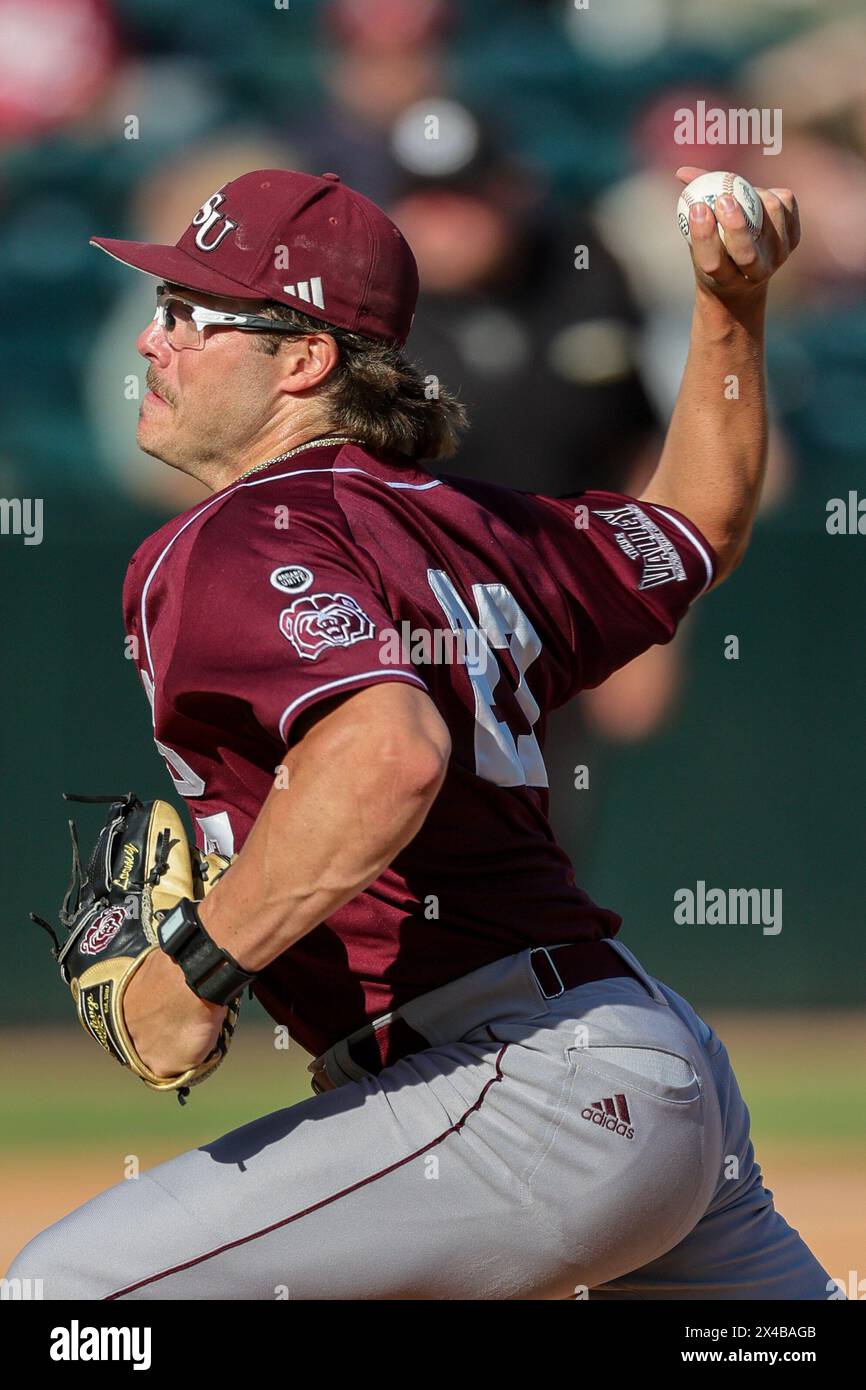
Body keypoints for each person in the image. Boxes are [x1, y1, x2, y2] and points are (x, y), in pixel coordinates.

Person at [7, 166, 834, 1300]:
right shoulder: (477, 524)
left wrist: (195, 971)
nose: (153, 342)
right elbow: (699, 519)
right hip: (645, 1063)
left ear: (301, 360)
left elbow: (387, 753)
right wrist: (730, 310)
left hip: (516, 1089)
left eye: (189, 316)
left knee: (69, 1300)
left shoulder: (229, 541)